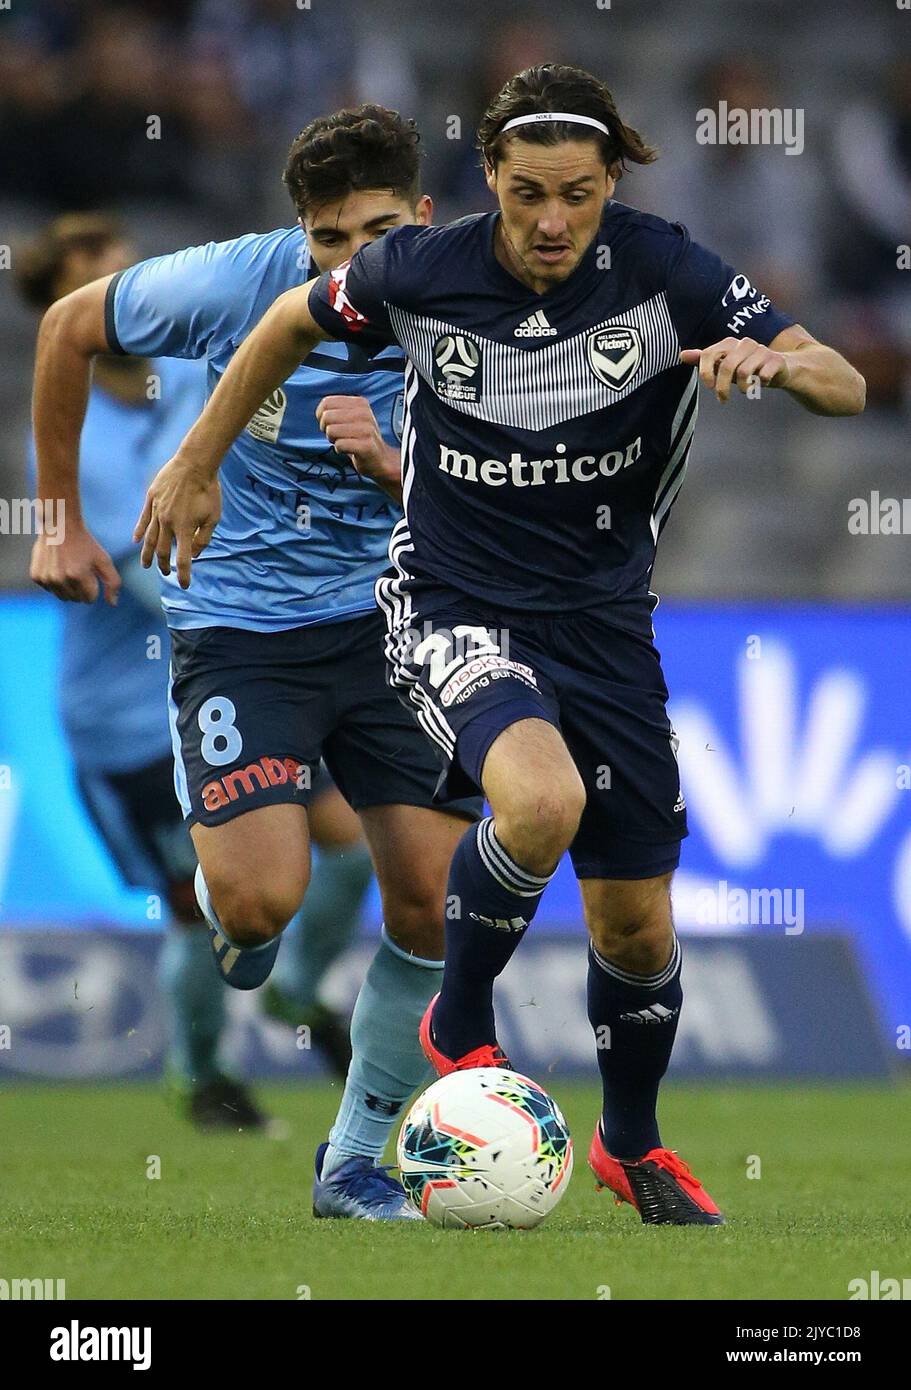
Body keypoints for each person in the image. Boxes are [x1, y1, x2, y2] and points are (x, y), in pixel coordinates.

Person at [138, 64, 866, 1226]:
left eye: (574, 194)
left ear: (607, 183)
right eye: (525, 191)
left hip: (607, 630)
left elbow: (844, 377)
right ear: (487, 179)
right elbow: (285, 319)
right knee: (538, 800)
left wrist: (776, 362)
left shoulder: (667, 269)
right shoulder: (421, 270)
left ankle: (630, 1144)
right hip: (449, 603)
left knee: (635, 927)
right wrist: (195, 460)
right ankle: (458, 1019)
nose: (547, 221)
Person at [29, 108, 482, 1220]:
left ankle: (355, 1161)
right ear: (298, 233)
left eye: (377, 232)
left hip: (386, 627)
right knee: (252, 900)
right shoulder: (233, 284)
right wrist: (59, 526)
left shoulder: (469, 307)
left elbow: (485, 497)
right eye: (329, 240)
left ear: (420, 218)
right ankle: (238, 913)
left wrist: (391, 473)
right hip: (240, 629)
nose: (353, 262)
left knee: (431, 901)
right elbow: (65, 328)